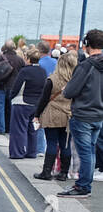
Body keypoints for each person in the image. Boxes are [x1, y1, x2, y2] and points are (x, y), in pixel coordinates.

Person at [58, 29, 103, 198]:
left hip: (83, 114)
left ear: (86, 44)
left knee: (86, 153)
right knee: (90, 151)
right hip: (98, 115)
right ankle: (84, 185)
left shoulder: (86, 66)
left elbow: (70, 91)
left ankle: (83, 186)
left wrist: (65, 89)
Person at [35, 50, 76, 180]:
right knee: (65, 144)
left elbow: (43, 99)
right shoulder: (76, 81)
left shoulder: (52, 79)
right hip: (69, 114)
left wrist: (37, 114)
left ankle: (46, 172)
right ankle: (63, 173)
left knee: (52, 142)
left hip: (52, 113)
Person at [7, 56, 48, 159]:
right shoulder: (43, 71)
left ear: (29, 59)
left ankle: (17, 153)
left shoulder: (24, 71)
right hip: (36, 104)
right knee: (32, 130)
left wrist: (11, 96)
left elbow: (17, 86)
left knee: (19, 129)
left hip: (22, 102)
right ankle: (31, 152)